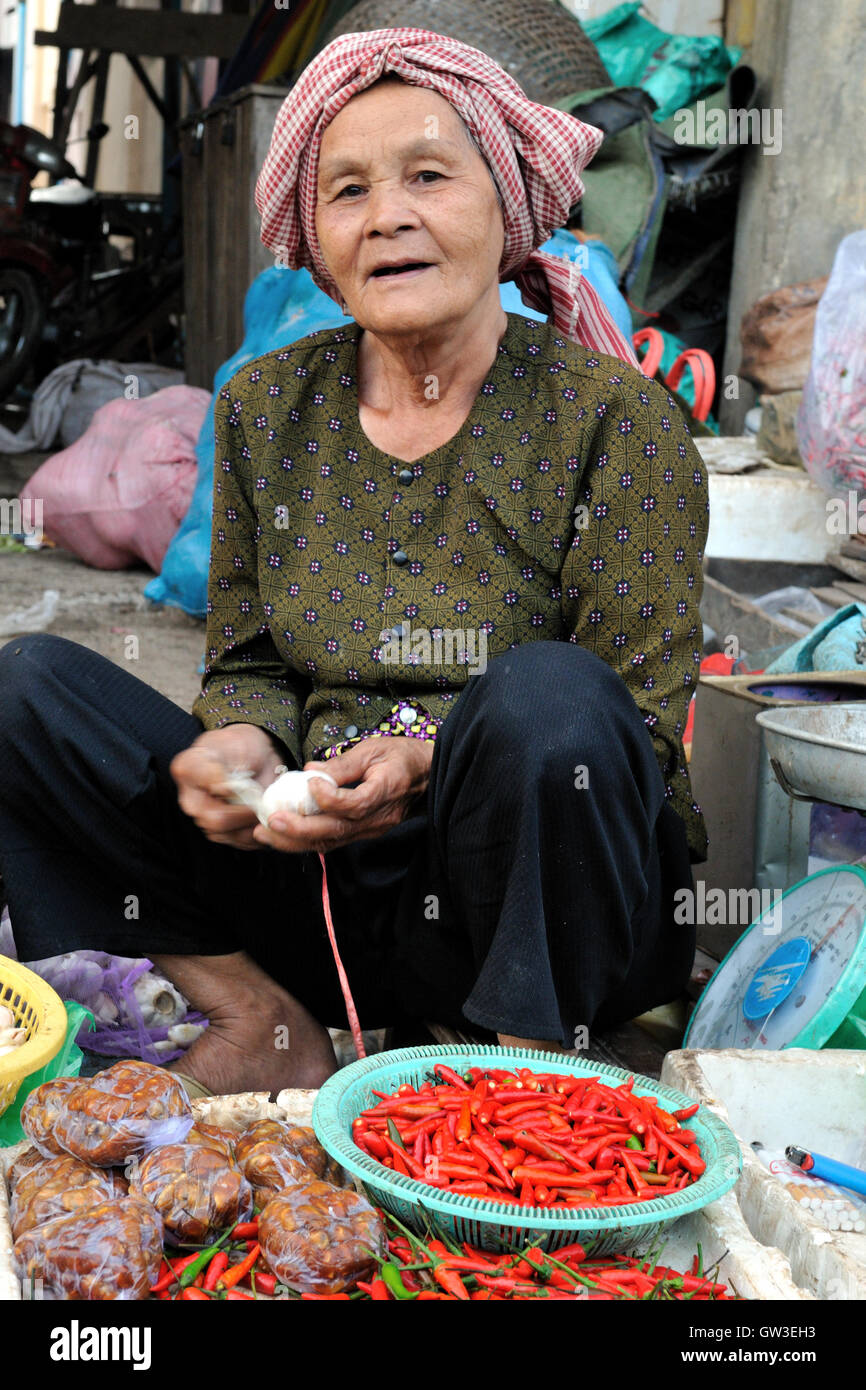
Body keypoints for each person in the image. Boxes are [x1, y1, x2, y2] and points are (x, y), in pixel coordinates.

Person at [0, 29, 708, 1096]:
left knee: (546, 697)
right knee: (24, 690)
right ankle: (257, 1013)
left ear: (505, 201)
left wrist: (423, 755)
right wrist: (239, 746)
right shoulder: (263, 410)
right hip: (314, 899)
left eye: (428, 175)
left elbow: (636, 734)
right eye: (346, 191)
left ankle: (522, 1079)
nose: (387, 216)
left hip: (529, 907)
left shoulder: (617, 422)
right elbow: (244, 663)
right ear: (314, 236)